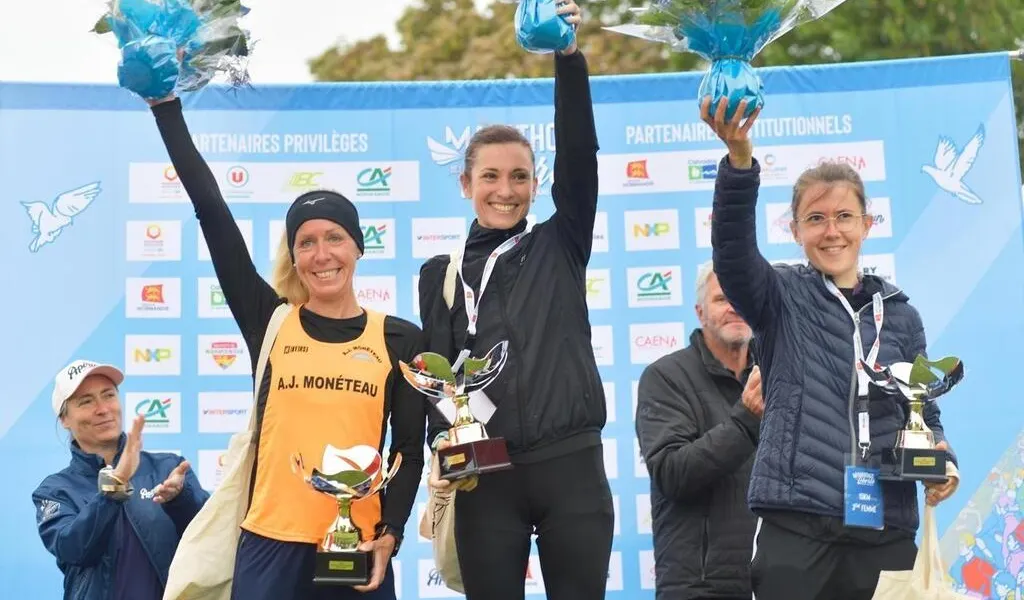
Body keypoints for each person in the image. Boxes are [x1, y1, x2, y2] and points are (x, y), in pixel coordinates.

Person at [146, 93, 426, 600]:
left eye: (335, 238)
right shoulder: (271, 321)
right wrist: (165, 106)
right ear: (294, 257)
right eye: (306, 242)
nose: (322, 254)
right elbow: (211, 210)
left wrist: (391, 535)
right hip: (268, 544)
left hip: (353, 546)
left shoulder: (399, 337)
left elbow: (407, 450)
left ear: (358, 247)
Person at [703, 96, 961, 600]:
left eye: (844, 216)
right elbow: (732, 255)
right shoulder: (778, 296)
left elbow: (922, 409)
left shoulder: (902, 314)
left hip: (884, 525)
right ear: (795, 230)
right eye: (816, 218)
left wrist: (941, 459)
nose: (832, 230)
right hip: (798, 521)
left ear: (868, 224)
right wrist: (738, 162)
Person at [416, 2, 612, 599]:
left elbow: (580, 156)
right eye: (492, 177)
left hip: (570, 464)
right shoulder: (440, 274)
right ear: (466, 184)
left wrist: (568, 57)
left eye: (520, 177)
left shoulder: (562, 240)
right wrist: (447, 445)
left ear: (536, 182)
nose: (506, 191)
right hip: (486, 474)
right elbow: (436, 379)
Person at [636, 262, 763, 600]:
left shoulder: (777, 373)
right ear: (700, 311)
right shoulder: (665, 377)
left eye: (742, 297)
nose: (735, 307)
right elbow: (672, 473)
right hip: (700, 586)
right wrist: (746, 419)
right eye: (723, 299)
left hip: (777, 580)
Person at [31, 359, 208, 600]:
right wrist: (115, 486)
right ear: (64, 419)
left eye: (109, 395)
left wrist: (181, 500)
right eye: (86, 401)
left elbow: (209, 538)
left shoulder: (168, 467)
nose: (103, 408)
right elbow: (73, 549)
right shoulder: (55, 491)